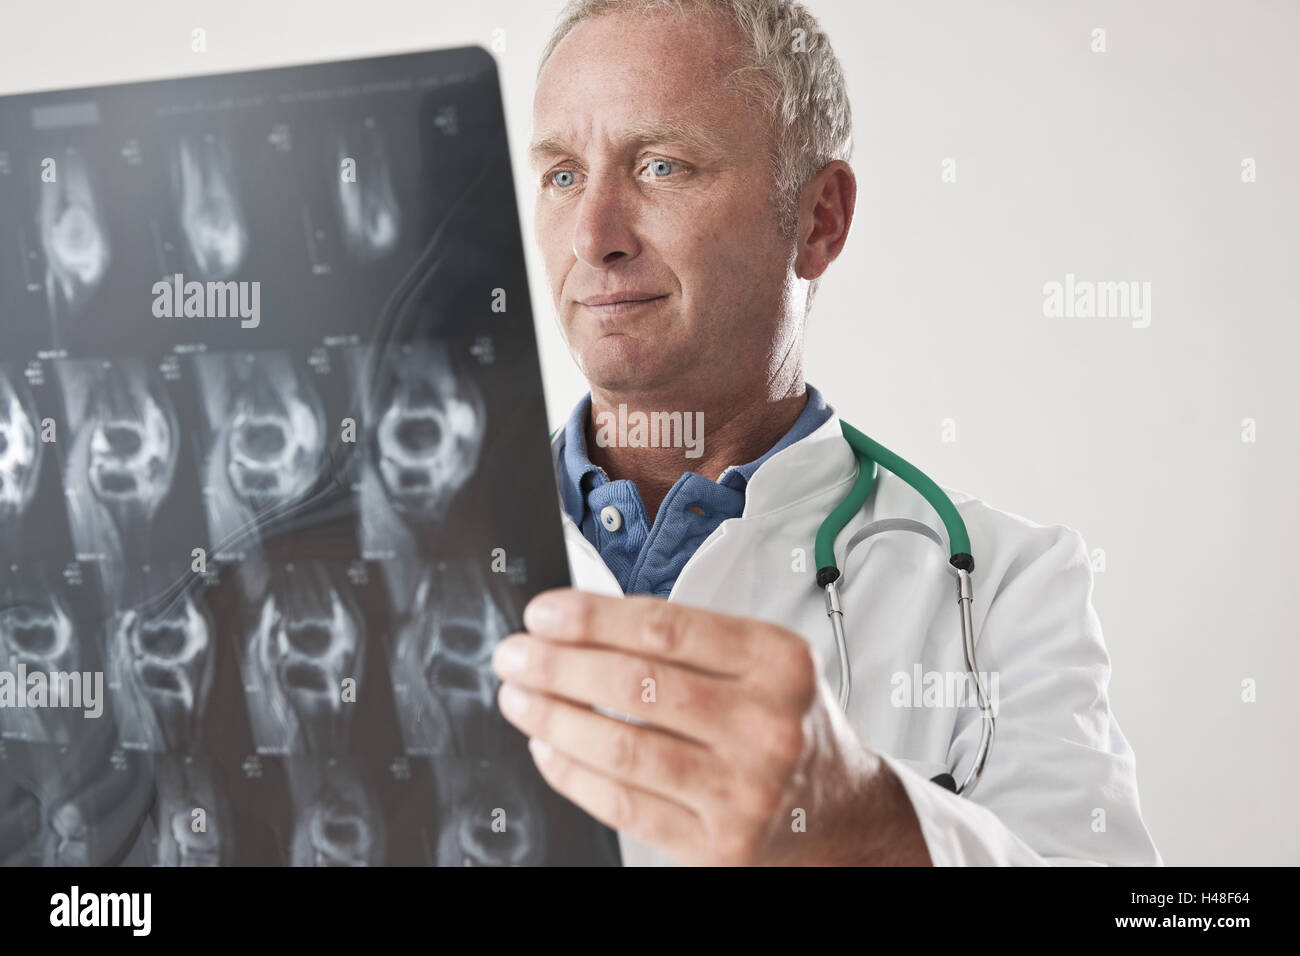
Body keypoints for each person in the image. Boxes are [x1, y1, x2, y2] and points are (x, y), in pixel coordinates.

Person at [491, 0, 1162, 866]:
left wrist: (874, 826)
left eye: (661, 165)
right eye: (562, 176)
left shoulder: (1004, 589)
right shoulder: (409, 554)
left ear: (818, 221)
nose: (593, 236)